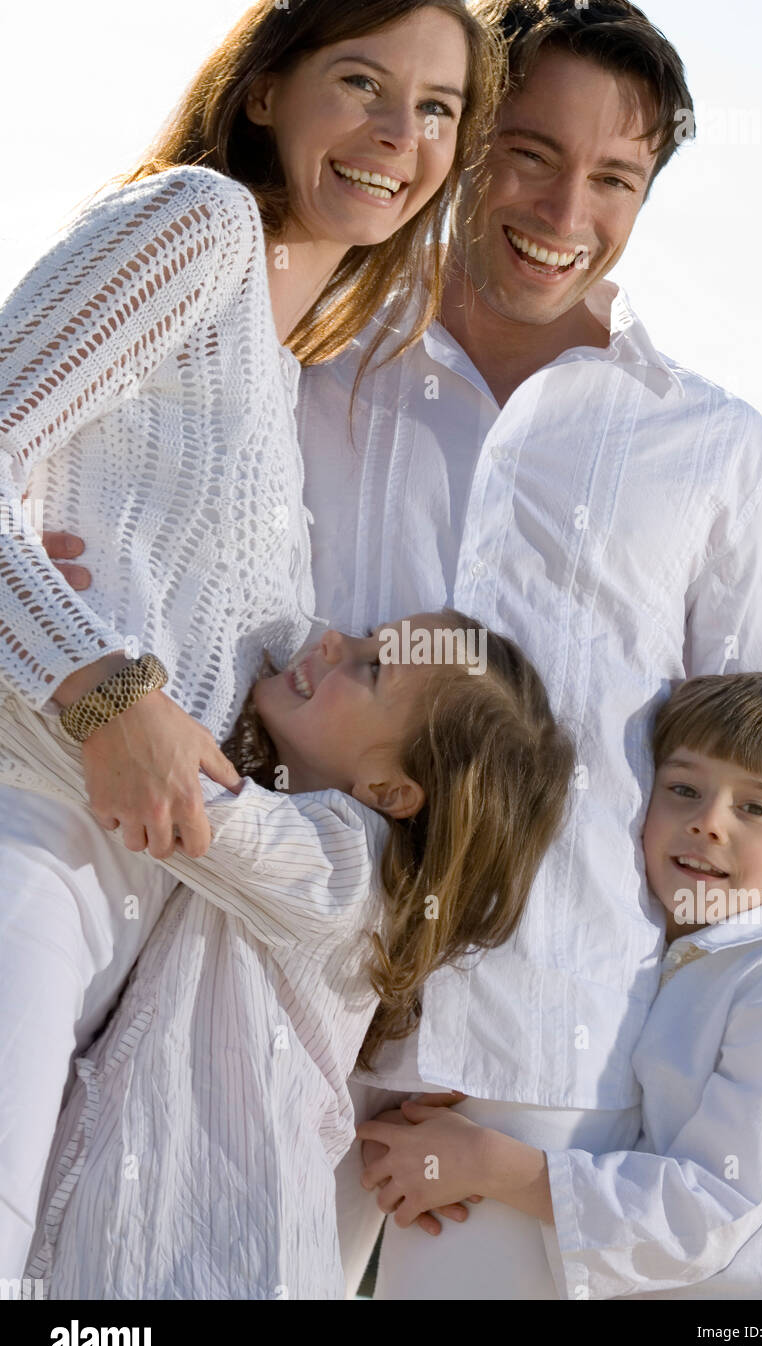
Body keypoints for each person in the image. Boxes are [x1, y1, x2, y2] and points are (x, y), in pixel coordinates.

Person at [40, 0, 762, 1297]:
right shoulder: (316, 372)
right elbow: (169, 513)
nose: (561, 208)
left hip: (569, 1083)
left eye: (614, 177)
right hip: (278, 1034)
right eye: (528, 150)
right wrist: (59, 547)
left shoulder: (709, 449)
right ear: (471, 140)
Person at [0, 0, 505, 1278]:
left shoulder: (278, 377)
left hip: (130, 900)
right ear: (268, 88)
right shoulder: (198, 223)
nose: (399, 134)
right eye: (361, 81)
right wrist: (100, 685)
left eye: (436, 108)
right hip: (25, 826)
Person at [0, 611, 574, 1298]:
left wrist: (68, 663)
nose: (332, 640)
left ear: (390, 791)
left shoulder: (347, 865)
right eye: (367, 636)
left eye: (370, 667)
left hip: (207, 1261)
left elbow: (152, 781)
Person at [358, 672, 762, 1300]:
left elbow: (709, 1210)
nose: (708, 821)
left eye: (754, 807)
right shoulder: (688, 963)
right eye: (682, 788)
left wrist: (487, 1164)